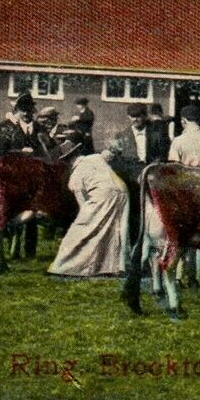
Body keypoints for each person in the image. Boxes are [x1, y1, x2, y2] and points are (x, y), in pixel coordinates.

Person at [47, 139, 130, 278]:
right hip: (122, 189)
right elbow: (109, 154)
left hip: (103, 195)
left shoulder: (75, 177)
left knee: (79, 231)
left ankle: (63, 266)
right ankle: (119, 265)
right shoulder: (95, 157)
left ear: (67, 161)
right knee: (119, 227)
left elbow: (83, 206)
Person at [110, 103, 165, 168]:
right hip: (130, 172)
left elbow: (162, 156)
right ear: (128, 116)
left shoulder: (156, 134)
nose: (135, 119)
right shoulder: (121, 136)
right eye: (132, 116)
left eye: (138, 116)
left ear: (145, 116)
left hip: (151, 171)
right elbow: (114, 157)